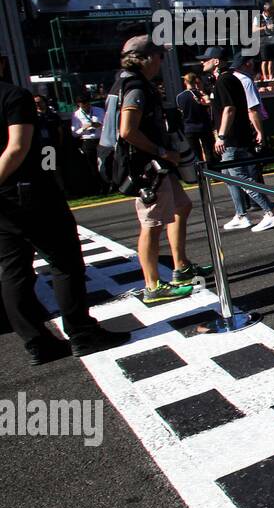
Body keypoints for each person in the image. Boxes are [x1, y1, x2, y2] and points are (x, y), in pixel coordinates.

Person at [0, 56, 126, 364]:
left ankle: (37, 343)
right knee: (64, 261)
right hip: (28, 190)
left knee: (13, 271)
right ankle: (82, 333)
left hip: (3, 202)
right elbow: (17, 146)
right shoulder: (12, 96)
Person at [116, 37, 208, 304]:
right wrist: (161, 152)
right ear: (144, 58)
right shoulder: (134, 86)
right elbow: (127, 130)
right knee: (152, 224)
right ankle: (153, 286)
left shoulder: (134, 82)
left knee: (182, 205)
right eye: (159, 56)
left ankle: (180, 267)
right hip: (147, 168)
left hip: (156, 165)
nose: (161, 62)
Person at [205, 47, 274, 231]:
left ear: (216, 61)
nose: (202, 63)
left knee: (239, 176)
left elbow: (230, 109)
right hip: (236, 136)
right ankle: (241, 214)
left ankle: (270, 212)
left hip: (232, 138)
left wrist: (222, 135)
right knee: (230, 176)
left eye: (206, 60)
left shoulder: (225, 80)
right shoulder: (230, 79)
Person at [176, 73, 215, 169]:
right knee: (209, 150)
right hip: (204, 126)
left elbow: (180, 111)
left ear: (185, 82)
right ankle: (214, 172)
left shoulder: (180, 96)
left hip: (189, 127)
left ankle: (200, 173)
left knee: (196, 153)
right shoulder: (201, 94)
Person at [71, 94, 106, 184]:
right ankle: (98, 184)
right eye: (82, 104)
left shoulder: (99, 111)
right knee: (92, 164)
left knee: (104, 162)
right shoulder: (76, 115)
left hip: (101, 139)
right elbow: (74, 133)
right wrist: (83, 128)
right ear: (79, 104)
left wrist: (100, 125)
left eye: (87, 103)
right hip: (88, 141)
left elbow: (107, 124)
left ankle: (109, 183)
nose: (85, 105)